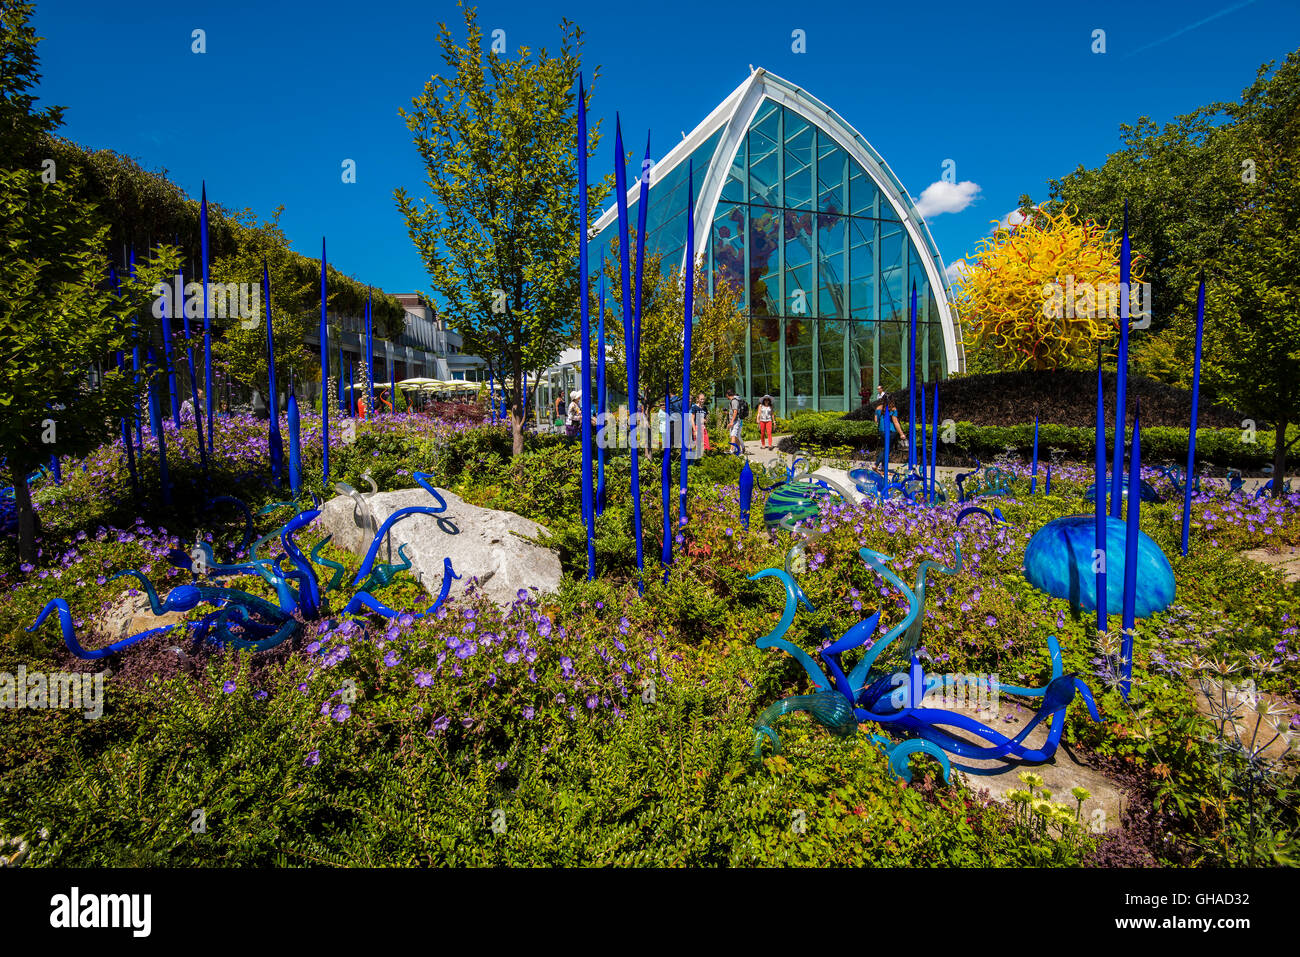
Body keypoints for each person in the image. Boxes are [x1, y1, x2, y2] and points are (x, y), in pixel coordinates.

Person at [873, 395, 905, 476]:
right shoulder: (893, 409)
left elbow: (876, 420)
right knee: (886, 450)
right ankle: (876, 464)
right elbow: (895, 422)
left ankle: (883, 468)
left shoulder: (878, 408)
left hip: (881, 431)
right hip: (891, 431)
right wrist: (901, 433)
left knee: (885, 448)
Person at [725, 388, 746, 453]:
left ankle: (731, 450)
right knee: (735, 436)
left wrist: (731, 422)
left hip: (736, 421)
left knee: (733, 435)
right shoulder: (735, 400)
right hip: (735, 420)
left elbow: (735, 411)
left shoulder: (734, 401)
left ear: (727, 395)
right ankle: (738, 449)